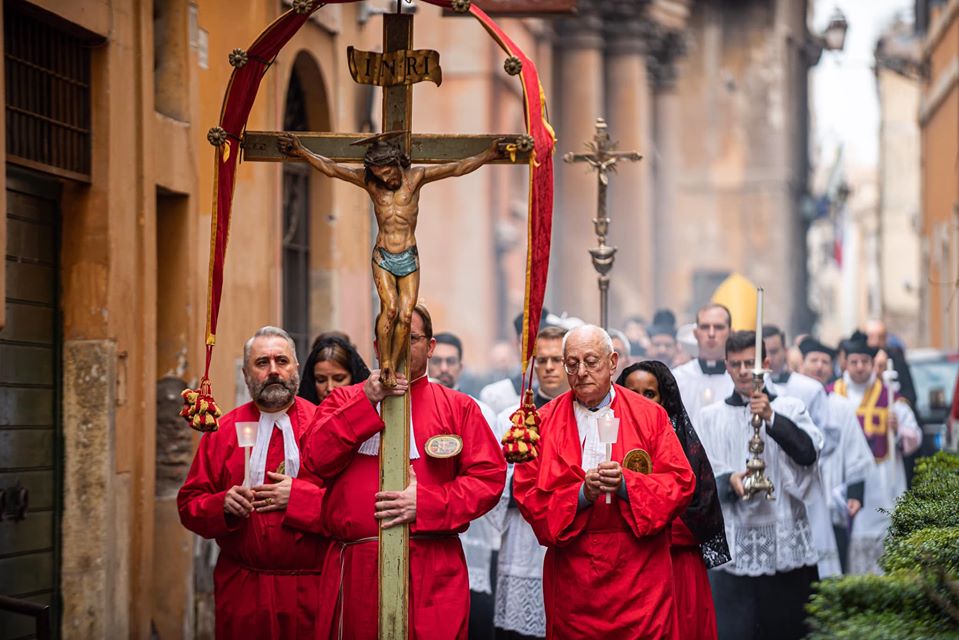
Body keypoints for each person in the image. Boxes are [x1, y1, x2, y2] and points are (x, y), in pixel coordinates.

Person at [300, 304, 507, 639]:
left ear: (430, 346)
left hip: (432, 565)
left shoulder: (459, 407)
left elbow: (488, 480)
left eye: (410, 338)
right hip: (358, 569)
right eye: (388, 337)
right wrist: (364, 402)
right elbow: (313, 461)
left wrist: (426, 503)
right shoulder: (343, 401)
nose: (397, 347)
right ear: (375, 346)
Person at [279, 132, 505, 388]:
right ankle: (386, 365)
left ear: (397, 163)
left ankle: (398, 364)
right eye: (379, 175)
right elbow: (332, 169)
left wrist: (488, 154)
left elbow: (456, 168)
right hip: (383, 255)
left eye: (387, 172)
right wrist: (301, 151)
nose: (385, 179)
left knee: (406, 315)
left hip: (408, 255)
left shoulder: (416, 178)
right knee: (391, 308)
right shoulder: (372, 185)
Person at [513, 325, 695, 639]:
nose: (581, 372)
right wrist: (582, 493)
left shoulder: (649, 416)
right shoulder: (543, 421)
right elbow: (528, 494)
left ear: (612, 363)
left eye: (591, 362)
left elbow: (680, 483)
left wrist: (627, 485)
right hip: (574, 581)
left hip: (639, 577)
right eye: (572, 364)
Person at [178, 327, 327, 639]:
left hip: (312, 590)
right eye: (262, 363)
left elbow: (350, 506)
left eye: (281, 361)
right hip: (243, 590)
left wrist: (299, 498)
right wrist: (222, 505)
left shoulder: (325, 426)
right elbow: (190, 504)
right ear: (246, 373)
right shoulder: (223, 431)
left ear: (296, 368)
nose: (273, 370)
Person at [696, 331, 822, 640]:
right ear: (726, 366)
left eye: (749, 364)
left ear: (765, 364)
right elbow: (698, 477)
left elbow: (808, 454)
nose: (742, 372)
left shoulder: (790, 407)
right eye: (736, 364)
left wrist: (771, 416)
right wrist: (729, 482)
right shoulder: (710, 417)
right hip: (733, 557)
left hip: (785, 553)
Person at [617, 361, 730, 640]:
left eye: (649, 394)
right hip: (628, 570)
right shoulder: (611, 444)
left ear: (664, 399)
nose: (640, 402)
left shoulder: (683, 446)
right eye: (632, 394)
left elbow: (699, 515)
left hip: (677, 568)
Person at [494, 325, 569, 640]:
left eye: (557, 359)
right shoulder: (511, 419)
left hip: (567, 537)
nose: (549, 367)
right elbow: (495, 485)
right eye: (541, 360)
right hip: (523, 539)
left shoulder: (585, 416)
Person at [429, 330, 503, 640]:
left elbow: (491, 475)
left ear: (461, 367)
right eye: (438, 361)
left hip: (474, 535)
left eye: (451, 362)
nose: (444, 368)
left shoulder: (479, 410)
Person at [828, 333, 921, 575]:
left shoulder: (890, 396)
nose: (860, 367)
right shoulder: (831, 394)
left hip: (881, 480)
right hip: (842, 478)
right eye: (854, 362)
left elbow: (914, 436)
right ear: (845, 362)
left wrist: (898, 430)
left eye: (865, 362)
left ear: (872, 363)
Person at [798, 337, 874, 573]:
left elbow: (856, 451)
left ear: (832, 368)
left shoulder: (841, 406)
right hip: (798, 503)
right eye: (813, 360)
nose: (819, 366)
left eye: (824, 361)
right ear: (802, 365)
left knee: (834, 566)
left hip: (832, 498)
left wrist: (855, 494)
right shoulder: (790, 402)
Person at [479, 309, 551, 415]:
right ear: (517, 343)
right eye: (529, 342)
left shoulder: (562, 393)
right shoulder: (494, 395)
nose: (536, 349)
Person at [672, 303, 734, 419]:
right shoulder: (678, 378)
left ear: (730, 333)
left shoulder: (740, 380)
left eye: (718, 327)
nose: (711, 334)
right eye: (705, 327)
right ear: (696, 333)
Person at [298, 334, 371, 404]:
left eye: (339, 379)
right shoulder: (301, 414)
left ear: (353, 377)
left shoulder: (375, 412)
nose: (330, 388)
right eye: (321, 380)